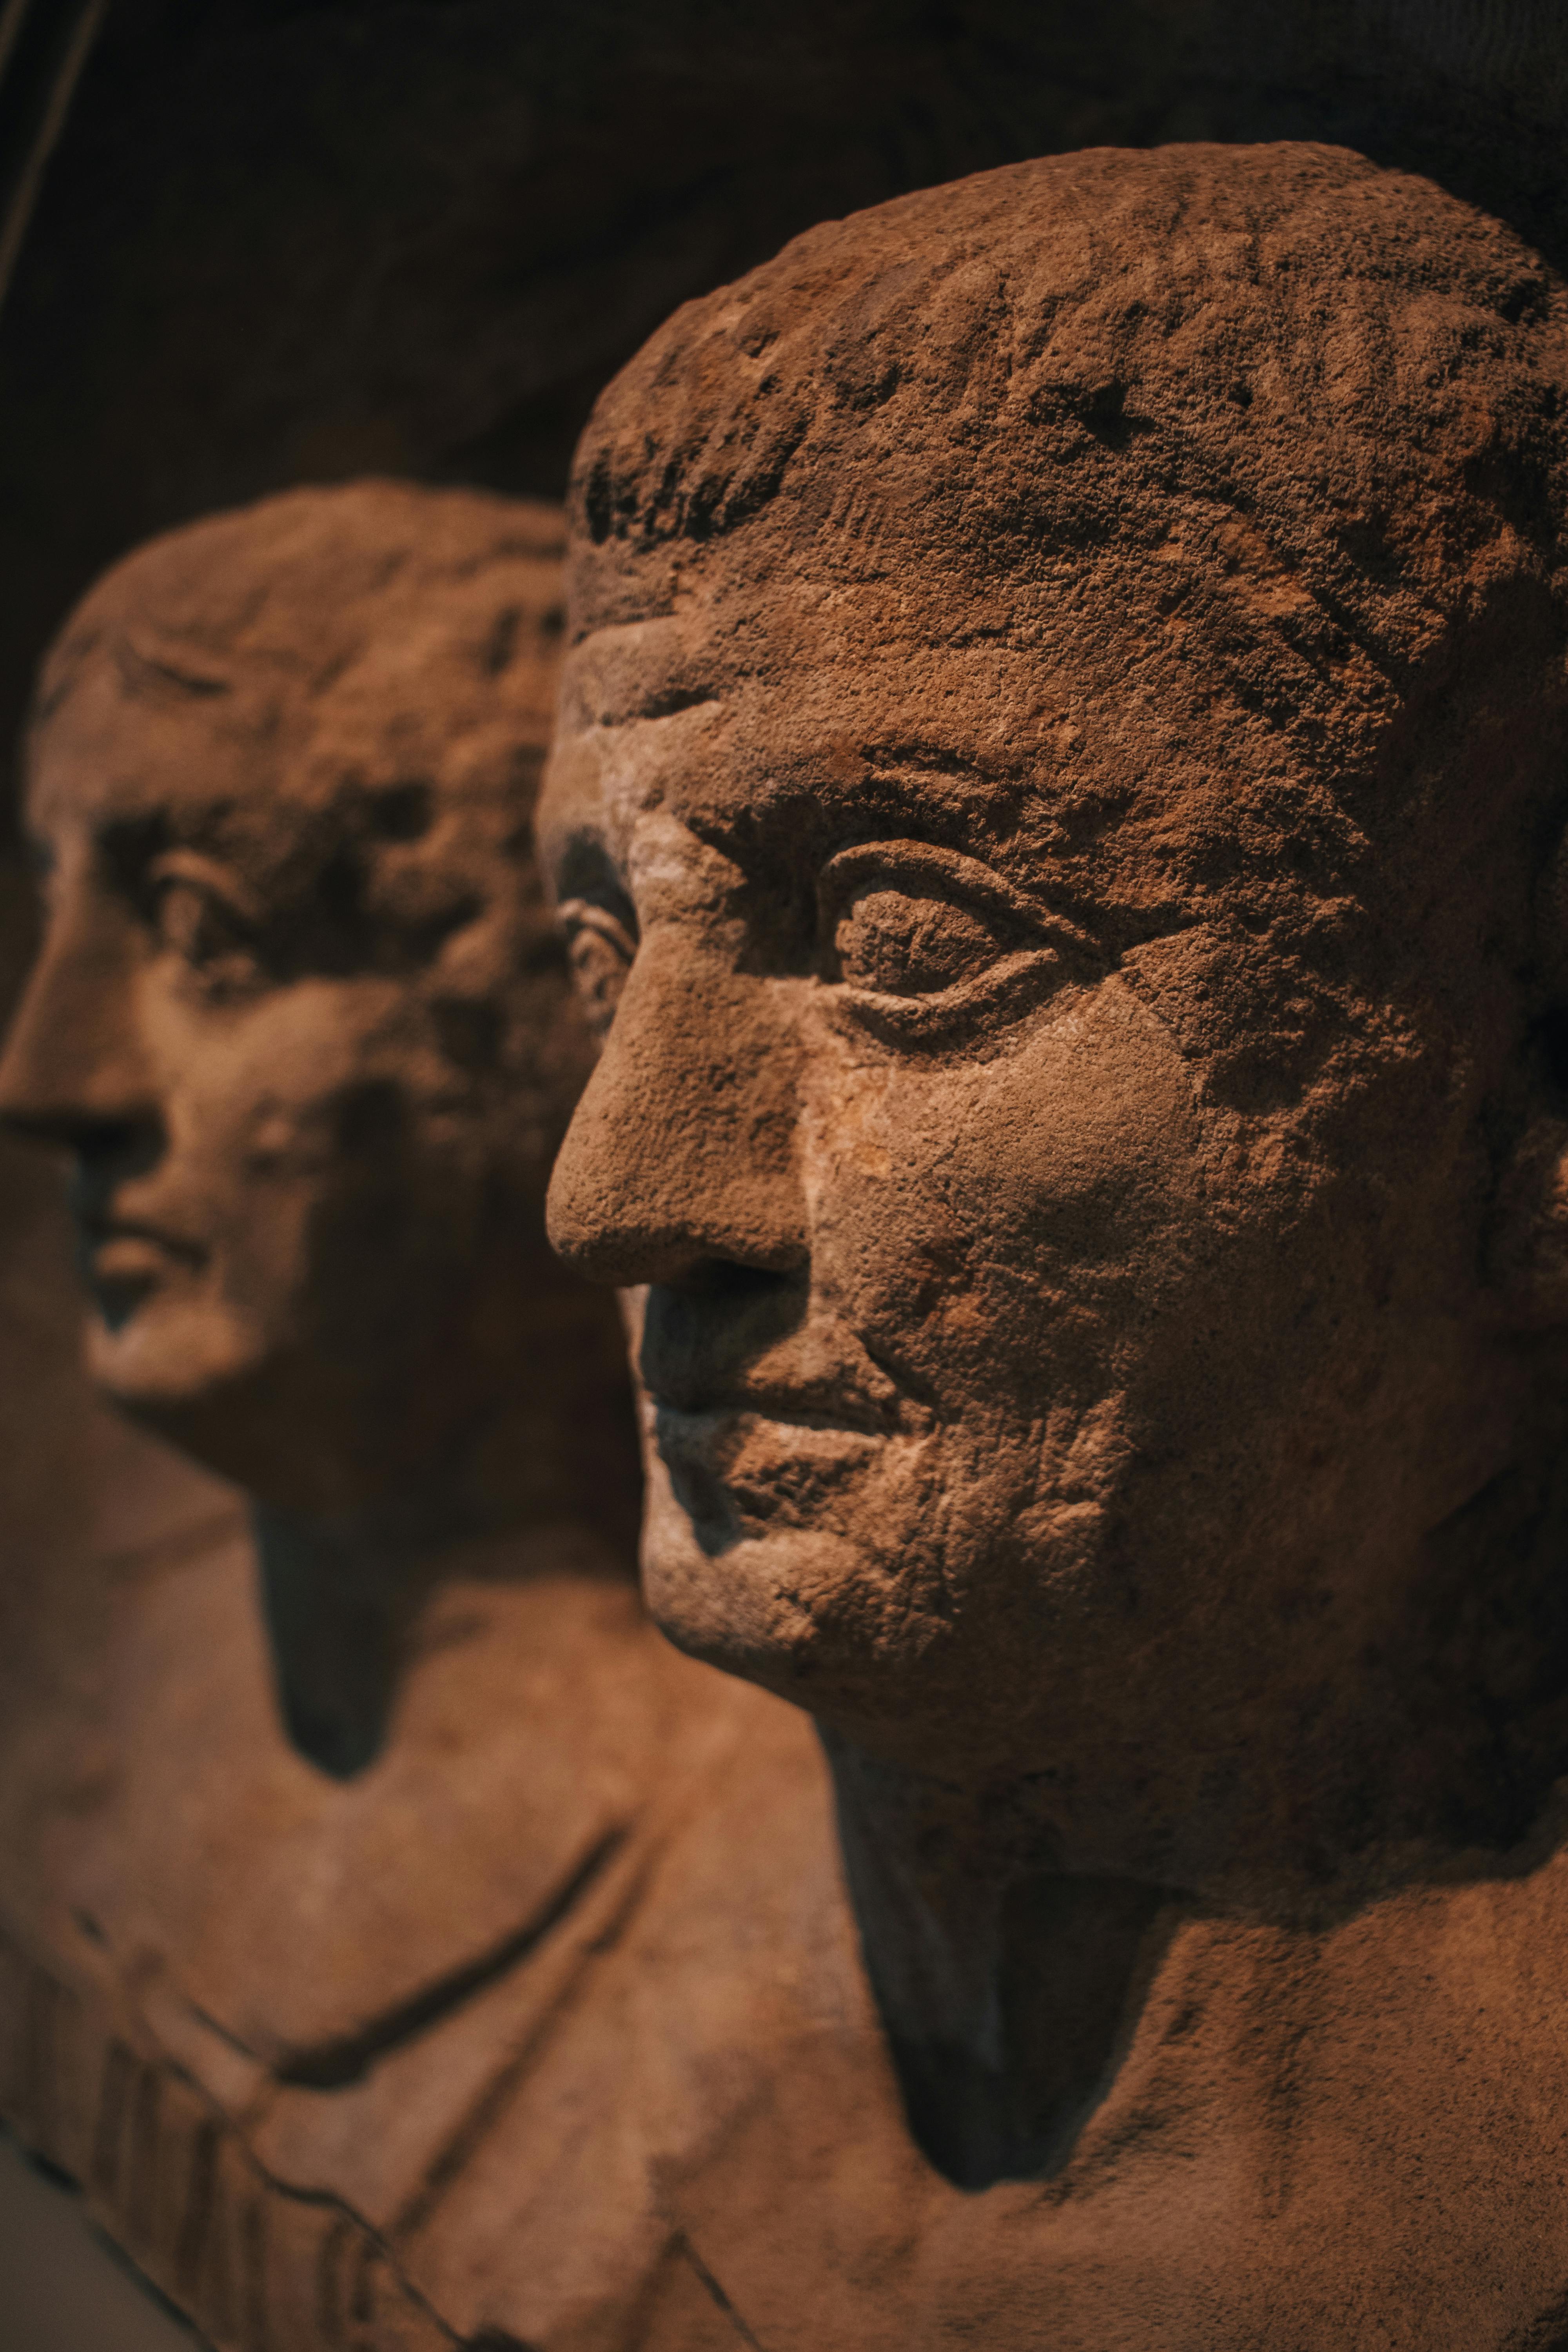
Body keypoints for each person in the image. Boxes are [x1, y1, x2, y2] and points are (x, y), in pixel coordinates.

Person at [540, 142, 1568, 2341]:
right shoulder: (551, 2068)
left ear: (1523, 1085)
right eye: (600, 953)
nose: (620, 1192)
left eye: (912, 940)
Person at [0, 482, 877, 2352]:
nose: (51, 1078)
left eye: (205, 939)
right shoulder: (77, 1742)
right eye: (58, 915)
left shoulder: (782, 1947)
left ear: (531, 1041)